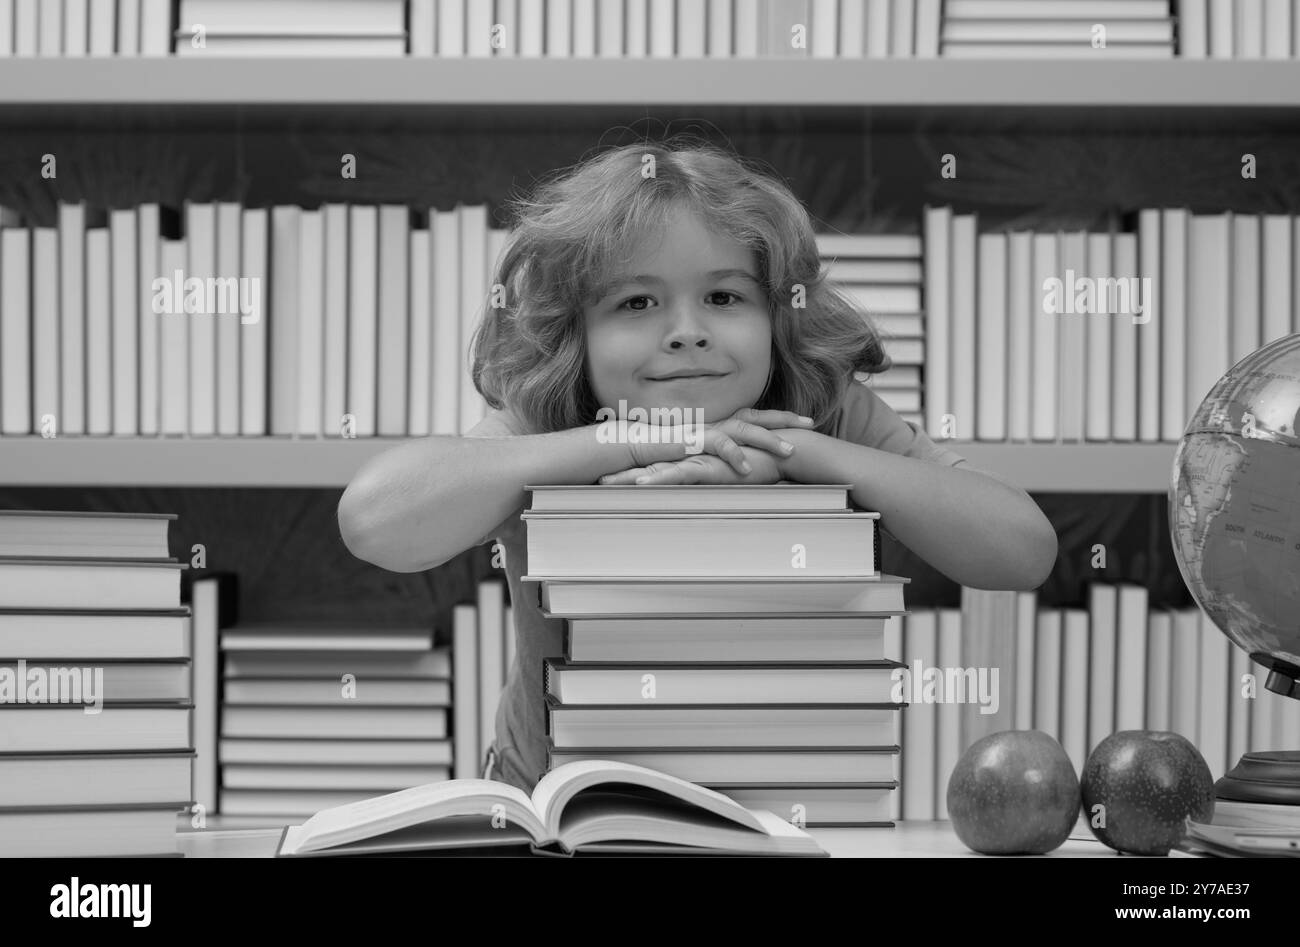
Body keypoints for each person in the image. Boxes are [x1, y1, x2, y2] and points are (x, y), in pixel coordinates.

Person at [338, 136, 1058, 794]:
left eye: (724, 296)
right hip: (555, 801)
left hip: (774, 801)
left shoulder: (814, 408)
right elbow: (374, 519)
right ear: (577, 334)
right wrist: (634, 443)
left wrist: (797, 453)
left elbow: (1023, 549)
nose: (686, 333)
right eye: (637, 301)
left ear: (777, 315)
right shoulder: (550, 414)